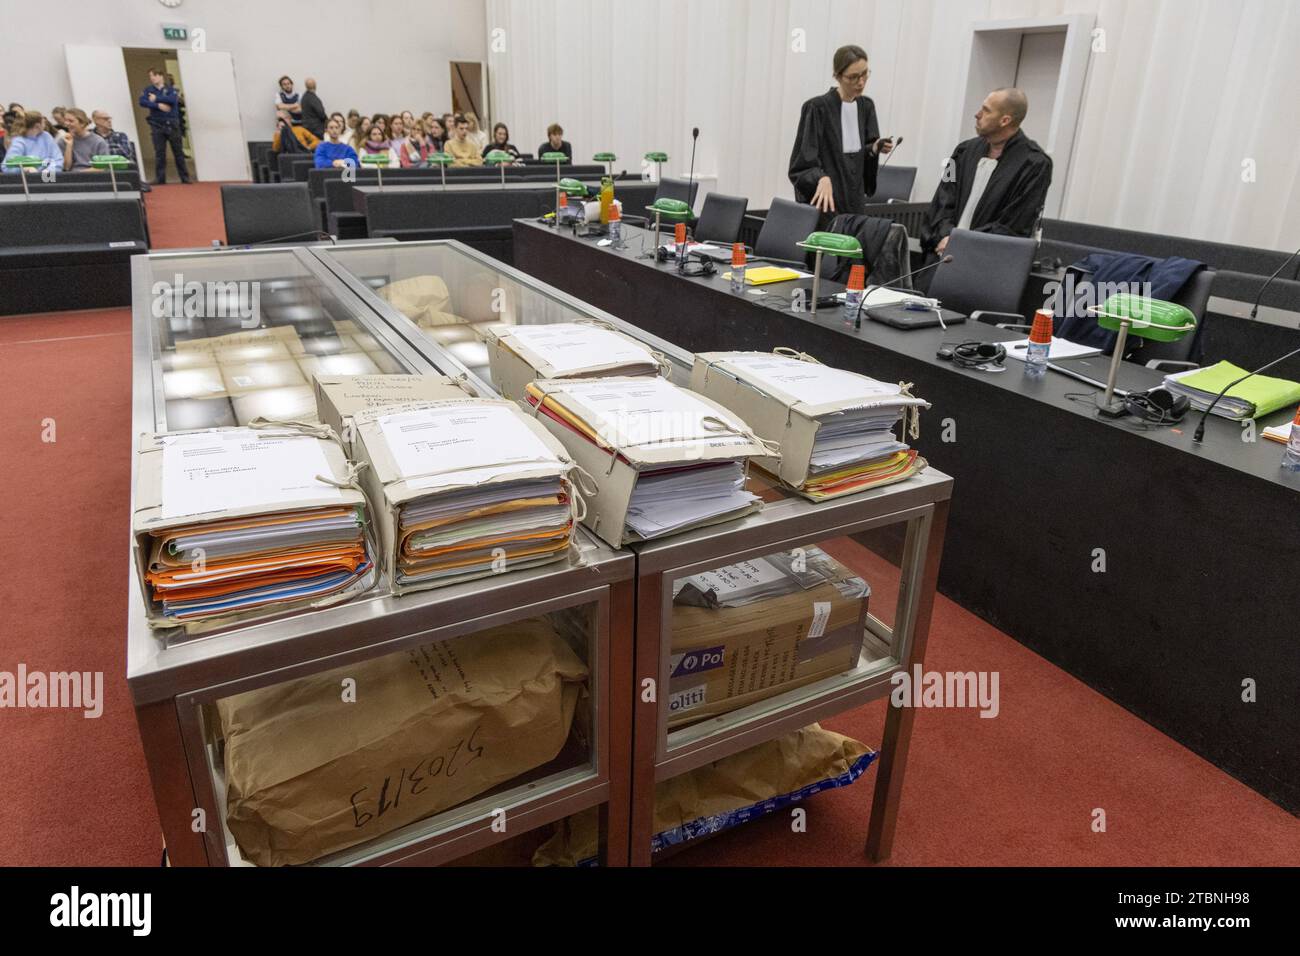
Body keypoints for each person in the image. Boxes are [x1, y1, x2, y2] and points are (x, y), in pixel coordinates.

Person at [920, 88, 1052, 257]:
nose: (977, 114)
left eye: (986, 110)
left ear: (1005, 120)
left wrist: (962, 243)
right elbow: (943, 200)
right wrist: (945, 236)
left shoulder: (1036, 165)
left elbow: (1014, 224)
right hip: (942, 252)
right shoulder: (962, 151)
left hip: (985, 263)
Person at [788, 44, 893, 220]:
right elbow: (801, 165)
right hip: (826, 203)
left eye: (865, 74)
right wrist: (821, 178)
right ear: (837, 76)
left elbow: (857, 157)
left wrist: (874, 148)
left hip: (855, 201)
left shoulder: (866, 107)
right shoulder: (817, 108)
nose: (861, 82)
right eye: (853, 77)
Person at [138, 68, 191, 184]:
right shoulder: (148, 90)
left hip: (172, 124)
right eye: (151, 76)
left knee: (178, 152)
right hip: (157, 124)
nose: (152, 78)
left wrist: (156, 98)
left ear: (161, 76)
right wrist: (157, 106)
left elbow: (173, 100)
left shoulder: (171, 89)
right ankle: (160, 178)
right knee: (159, 153)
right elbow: (142, 102)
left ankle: (185, 177)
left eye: (155, 75)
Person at [91, 109, 149, 191]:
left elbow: (126, 154)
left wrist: (102, 155)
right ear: (95, 120)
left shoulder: (121, 136)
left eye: (110, 118)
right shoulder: (90, 137)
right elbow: (90, 156)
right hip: (99, 169)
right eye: (105, 119)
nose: (109, 121)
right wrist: (112, 153)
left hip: (119, 167)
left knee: (129, 165)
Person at [61, 108, 108, 172]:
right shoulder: (64, 140)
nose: (67, 123)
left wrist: (79, 174)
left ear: (82, 123)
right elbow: (66, 167)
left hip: (93, 177)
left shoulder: (98, 142)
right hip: (70, 177)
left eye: (71, 121)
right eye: (66, 120)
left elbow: (103, 168)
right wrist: (69, 146)